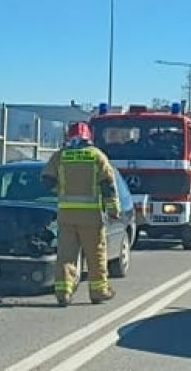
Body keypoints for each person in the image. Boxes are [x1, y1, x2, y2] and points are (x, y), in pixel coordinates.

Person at [41, 121, 120, 307]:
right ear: (88, 137)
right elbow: (108, 186)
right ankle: (99, 291)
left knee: (66, 255)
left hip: (66, 215)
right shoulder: (97, 156)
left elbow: (46, 181)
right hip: (91, 216)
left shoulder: (60, 156)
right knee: (96, 254)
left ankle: (63, 292)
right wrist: (113, 210)